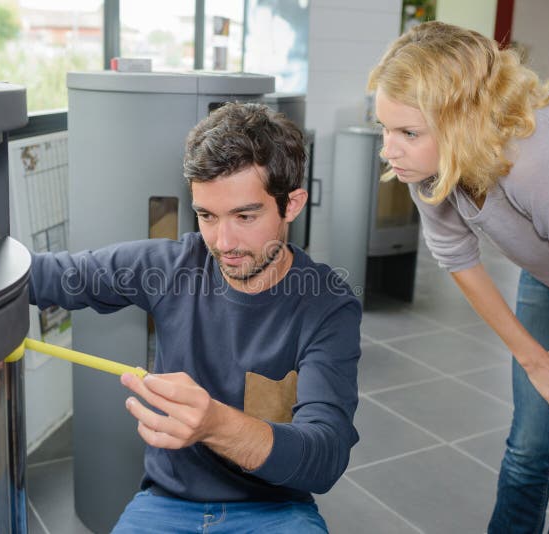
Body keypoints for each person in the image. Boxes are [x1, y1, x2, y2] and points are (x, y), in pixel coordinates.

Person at [27, 102, 362, 533]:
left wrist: (216, 425)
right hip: (167, 503)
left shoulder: (327, 305)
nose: (223, 242)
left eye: (245, 216)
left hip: (276, 510)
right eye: (207, 215)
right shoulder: (170, 268)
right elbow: (49, 275)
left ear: (292, 204)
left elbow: (325, 455)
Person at [368, 21, 549, 533]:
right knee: (529, 448)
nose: (390, 149)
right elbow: (456, 256)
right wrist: (535, 360)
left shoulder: (534, 162)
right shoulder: (423, 162)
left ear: (463, 121)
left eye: (408, 133)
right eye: (385, 128)